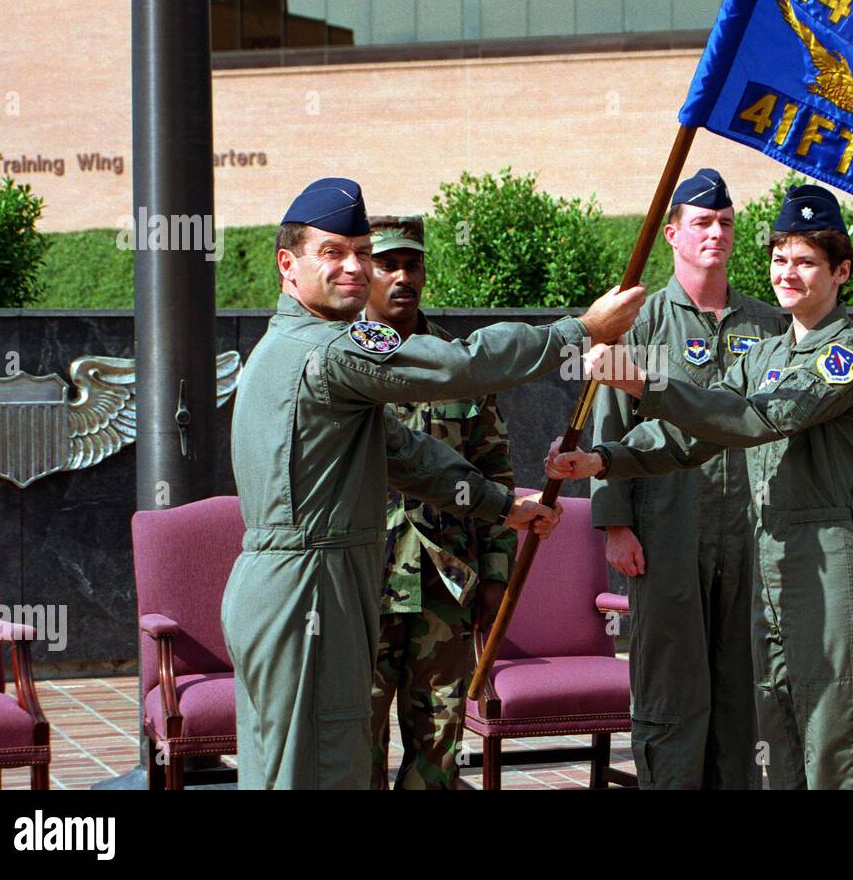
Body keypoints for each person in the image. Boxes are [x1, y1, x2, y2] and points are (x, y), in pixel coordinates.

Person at [223, 178, 644, 790]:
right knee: (318, 766)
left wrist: (504, 506)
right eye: (333, 253)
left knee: (306, 761)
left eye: (361, 254)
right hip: (311, 587)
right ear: (288, 264)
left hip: (313, 582)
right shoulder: (328, 351)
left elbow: (407, 455)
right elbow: (459, 365)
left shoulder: (297, 347)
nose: (354, 268)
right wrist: (577, 332)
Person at [550, 184, 853, 790]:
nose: (789, 273)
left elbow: (758, 420)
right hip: (773, 560)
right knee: (781, 731)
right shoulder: (767, 354)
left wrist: (645, 383)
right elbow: (695, 435)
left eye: (807, 261)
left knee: (837, 739)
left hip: (828, 556)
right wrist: (604, 461)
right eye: (780, 258)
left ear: (841, 272)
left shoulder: (847, 354)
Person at [588, 168, 787, 790]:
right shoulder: (642, 322)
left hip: (752, 526)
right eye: (702, 223)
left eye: (726, 223)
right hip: (668, 524)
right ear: (672, 233)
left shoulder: (767, 325)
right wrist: (615, 526)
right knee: (671, 677)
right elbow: (610, 427)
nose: (716, 234)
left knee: (744, 677)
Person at [362, 216, 516, 789]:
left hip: (444, 584)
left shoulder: (457, 362)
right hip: (362, 582)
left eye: (412, 264)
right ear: (364, 270)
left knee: (439, 750)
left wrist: (497, 572)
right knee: (357, 740)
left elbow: (496, 471)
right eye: (388, 264)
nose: (403, 277)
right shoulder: (339, 359)